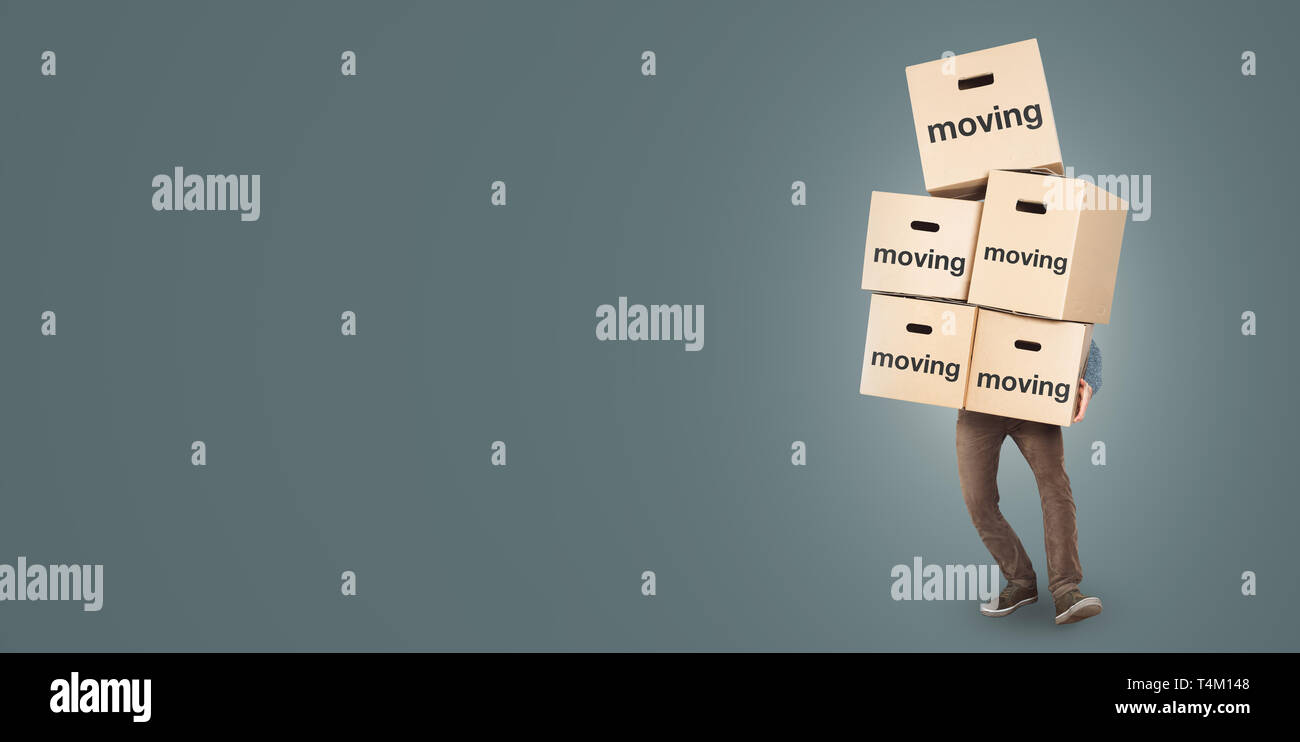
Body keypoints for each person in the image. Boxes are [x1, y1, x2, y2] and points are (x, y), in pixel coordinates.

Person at [957, 339, 1103, 625]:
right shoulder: (970, 291)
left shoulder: (1042, 292)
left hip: (1033, 397)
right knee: (977, 500)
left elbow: (1082, 336)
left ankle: (1066, 589)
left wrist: (1091, 383)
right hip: (978, 403)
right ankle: (1021, 581)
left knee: (1055, 489)